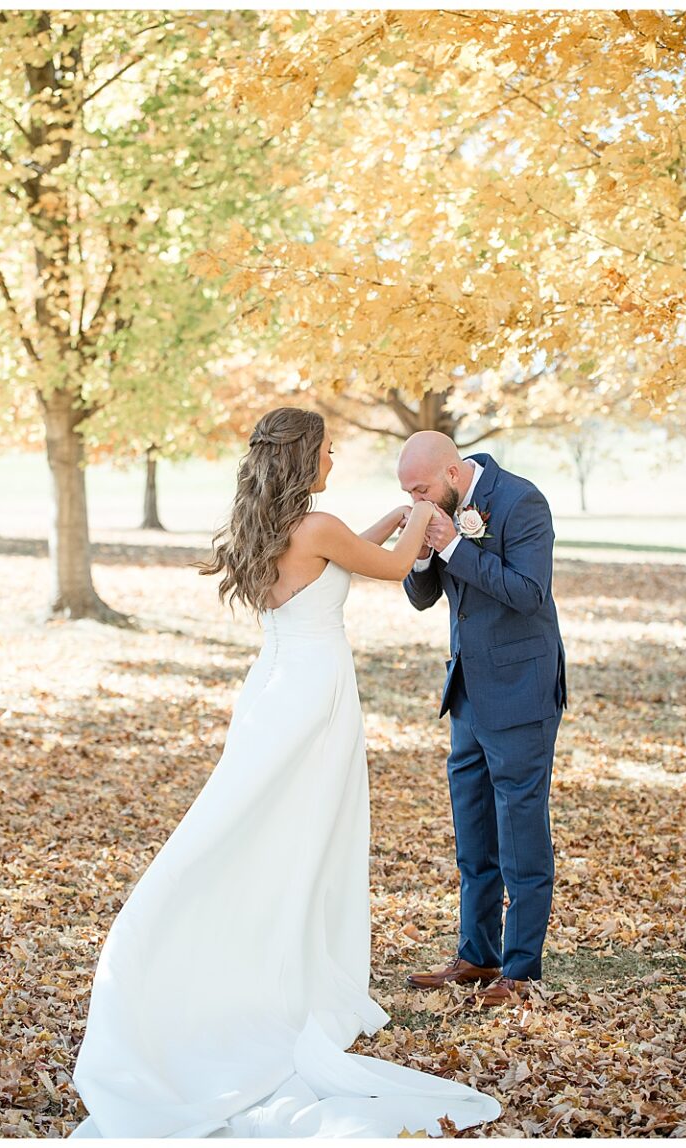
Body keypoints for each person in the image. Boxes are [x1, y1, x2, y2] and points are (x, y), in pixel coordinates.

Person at [71, 408, 500, 1138]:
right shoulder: (318, 524)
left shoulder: (276, 526)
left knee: (266, 825)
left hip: (274, 687)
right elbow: (393, 567)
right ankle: (277, 961)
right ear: (307, 458)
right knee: (302, 828)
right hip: (314, 698)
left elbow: (344, 555)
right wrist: (427, 508)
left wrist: (397, 513)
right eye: (329, 448)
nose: (335, 456)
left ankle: (267, 945)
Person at [396, 432, 567, 1007]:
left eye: (420, 489)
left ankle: (521, 971)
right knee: (473, 833)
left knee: (521, 835)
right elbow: (423, 597)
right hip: (467, 694)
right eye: (408, 492)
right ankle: (477, 954)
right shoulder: (440, 511)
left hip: (520, 692)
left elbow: (528, 593)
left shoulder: (521, 501)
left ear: (451, 471)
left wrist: (453, 549)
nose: (416, 499)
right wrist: (421, 557)